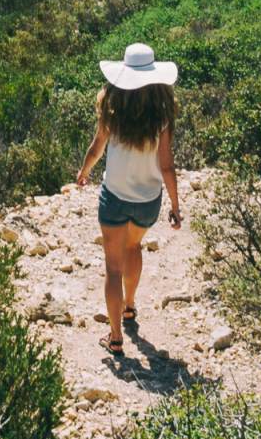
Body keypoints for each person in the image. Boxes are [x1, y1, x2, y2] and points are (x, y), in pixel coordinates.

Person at [71, 42, 181, 357]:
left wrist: (84, 171)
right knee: (134, 247)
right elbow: (167, 166)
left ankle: (116, 337)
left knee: (112, 266)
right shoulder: (160, 118)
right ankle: (130, 306)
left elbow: (96, 149)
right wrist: (174, 205)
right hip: (147, 200)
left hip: (114, 197)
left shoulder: (112, 112)